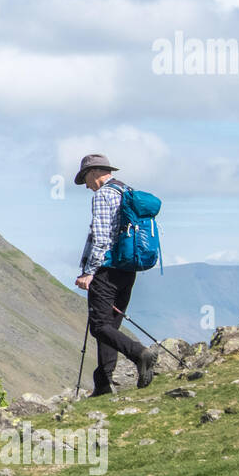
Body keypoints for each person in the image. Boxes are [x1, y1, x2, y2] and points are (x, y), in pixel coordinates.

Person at [73, 154, 157, 395]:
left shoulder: (103, 195)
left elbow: (101, 238)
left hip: (106, 270)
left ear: (94, 173)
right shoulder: (126, 191)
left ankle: (140, 354)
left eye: (85, 179)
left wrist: (89, 272)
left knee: (99, 326)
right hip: (127, 268)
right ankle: (104, 384)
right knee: (111, 326)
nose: (87, 186)